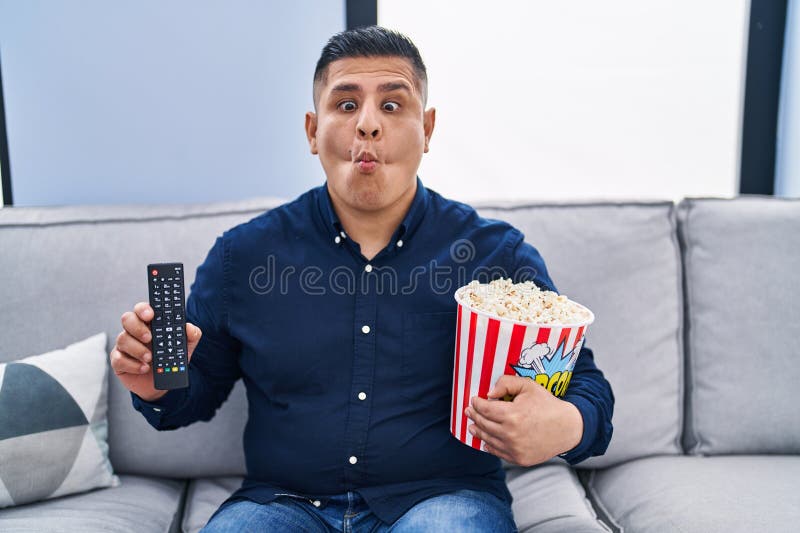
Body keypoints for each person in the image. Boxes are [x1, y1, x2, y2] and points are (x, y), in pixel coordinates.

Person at [111, 26, 614, 532]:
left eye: (393, 106)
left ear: (428, 129)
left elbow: (585, 386)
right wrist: (156, 383)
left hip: (442, 501)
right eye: (346, 105)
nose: (368, 125)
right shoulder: (243, 255)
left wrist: (562, 424)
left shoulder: (494, 254)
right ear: (312, 130)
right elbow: (193, 395)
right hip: (283, 504)